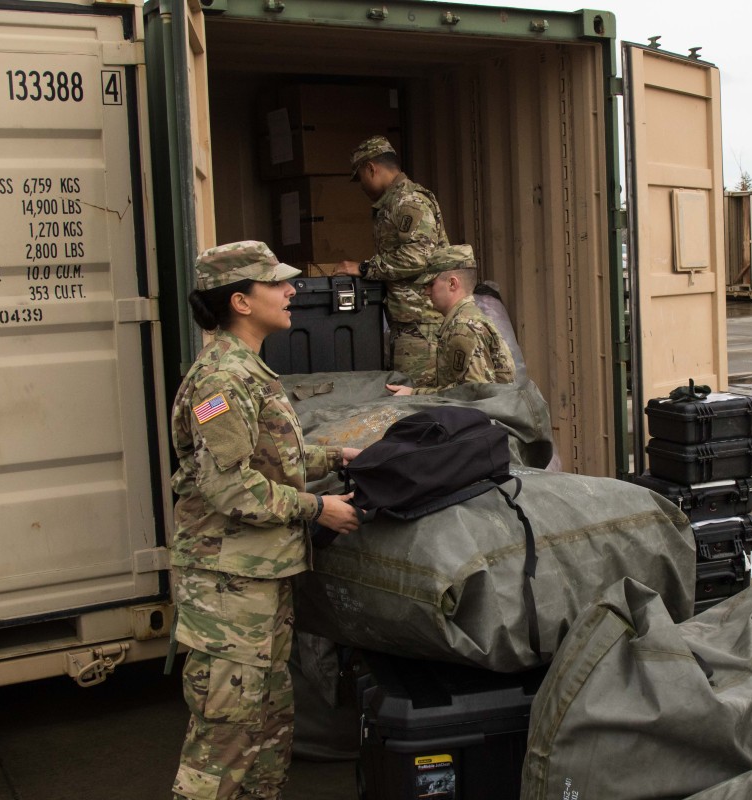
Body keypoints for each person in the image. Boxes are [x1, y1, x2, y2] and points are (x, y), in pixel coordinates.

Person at [168, 241, 362, 800]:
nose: (291, 290)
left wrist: (335, 457)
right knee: (224, 743)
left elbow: (265, 456)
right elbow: (228, 485)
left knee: (267, 734)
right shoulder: (219, 383)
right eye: (276, 283)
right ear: (240, 301)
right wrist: (317, 507)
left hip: (259, 582)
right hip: (228, 589)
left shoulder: (249, 371)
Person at [336, 135, 449, 386]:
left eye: (360, 178)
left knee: (417, 407)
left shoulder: (409, 201)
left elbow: (418, 257)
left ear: (371, 168)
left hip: (422, 325)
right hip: (408, 324)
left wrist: (364, 268)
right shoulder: (392, 203)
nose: (361, 185)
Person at [388, 244, 515, 396]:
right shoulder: (465, 318)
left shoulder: (463, 327)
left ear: (452, 284)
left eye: (431, 284)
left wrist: (414, 394)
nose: (426, 291)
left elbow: (473, 393)